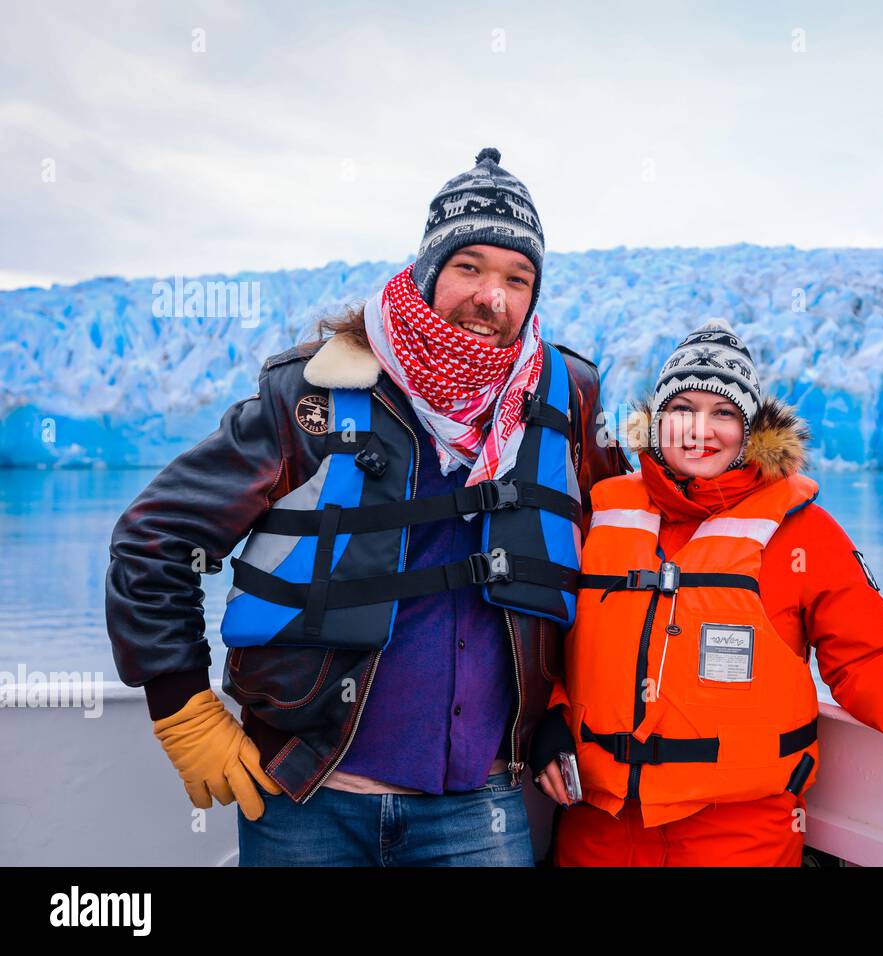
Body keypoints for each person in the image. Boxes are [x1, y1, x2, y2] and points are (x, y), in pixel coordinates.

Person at [105, 147, 631, 866]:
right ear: (427, 270)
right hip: (308, 794)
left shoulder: (564, 400)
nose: (492, 298)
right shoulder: (313, 394)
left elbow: (624, 556)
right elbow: (154, 538)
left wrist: (564, 709)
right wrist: (178, 702)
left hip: (481, 807)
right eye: (469, 267)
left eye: (518, 278)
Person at [531, 318, 883, 866]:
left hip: (737, 837)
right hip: (595, 827)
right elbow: (547, 640)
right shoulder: (600, 514)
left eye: (722, 413)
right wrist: (552, 718)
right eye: (681, 409)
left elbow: (870, 664)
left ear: (751, 430)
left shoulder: (802, 533)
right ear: (655, 421)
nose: (698, 430)